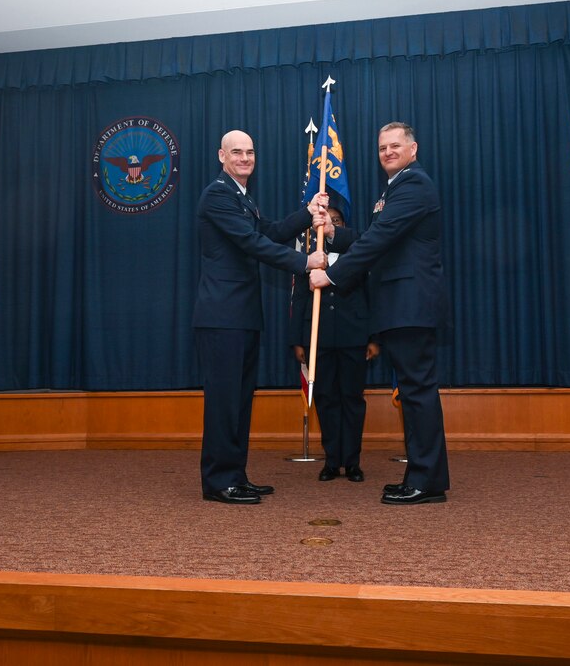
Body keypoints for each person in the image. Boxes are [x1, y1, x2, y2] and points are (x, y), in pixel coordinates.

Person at [309, 122, 450, 505]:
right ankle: (422, 475)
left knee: (417, 392)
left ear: (413, 149)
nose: (387, 152)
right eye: (382, 147)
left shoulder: (414, 185)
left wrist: (331, 276)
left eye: (395, 146)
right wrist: (332, 233)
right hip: (401, 305)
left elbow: (378, 239)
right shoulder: (396, 187)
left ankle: (427, 481)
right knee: (414, 391)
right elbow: (375, 235)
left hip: (411, 303)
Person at [193, 129, 328, 505]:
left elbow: (268, 230)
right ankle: (219, 481)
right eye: (237, 152)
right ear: (221, 156)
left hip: (242, 316)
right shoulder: (218, 195)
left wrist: (308, 212)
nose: (245, 158)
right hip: (222, 317)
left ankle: (235, 475)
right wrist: (305, 262)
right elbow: (253, 243)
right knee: (224, 402)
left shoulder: (242, 198)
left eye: (250, 152)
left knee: (239, 401)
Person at [290, 202, 378, 483]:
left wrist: (373, 337)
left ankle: (352, 462)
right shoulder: (311, 255)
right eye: (327, 219)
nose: (332, 224)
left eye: (337, 220)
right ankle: (332, 461)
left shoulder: (358, 250)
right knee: (326, 399)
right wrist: (298, 339)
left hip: (354, 336)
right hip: (320, 337)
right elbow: (300, 299)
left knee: (352, 399)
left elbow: (370, 294)